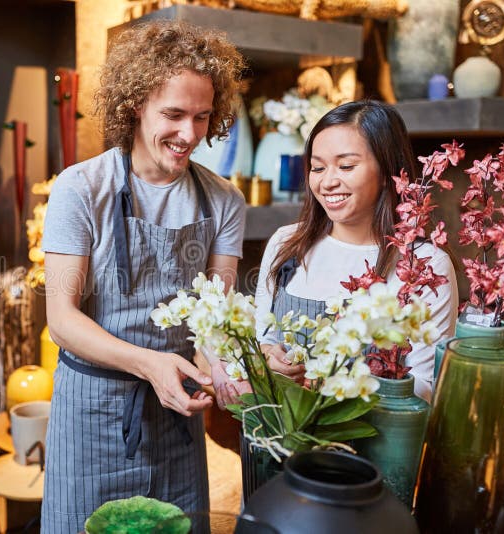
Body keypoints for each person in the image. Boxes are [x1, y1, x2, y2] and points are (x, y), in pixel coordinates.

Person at [40, 20, 247, 533]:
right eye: (172, 114)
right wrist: (150, 365)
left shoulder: (223, 202)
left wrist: (223, 371)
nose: (189, 135)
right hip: (93, 415)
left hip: (175, 423)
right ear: (135, 103)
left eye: (202, 117)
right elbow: (62, 321)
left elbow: (212, 324)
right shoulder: (81, 189)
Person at [254, 100, 457, 402]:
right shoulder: (286, 244)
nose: (327, 182)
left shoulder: (424, 266)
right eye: (317, 168)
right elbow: (262, 340)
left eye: (346, 166)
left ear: (389, 169)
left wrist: (341, 388)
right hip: (274, 438)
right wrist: (271, 360)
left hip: (368, 446)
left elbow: (425, 388)